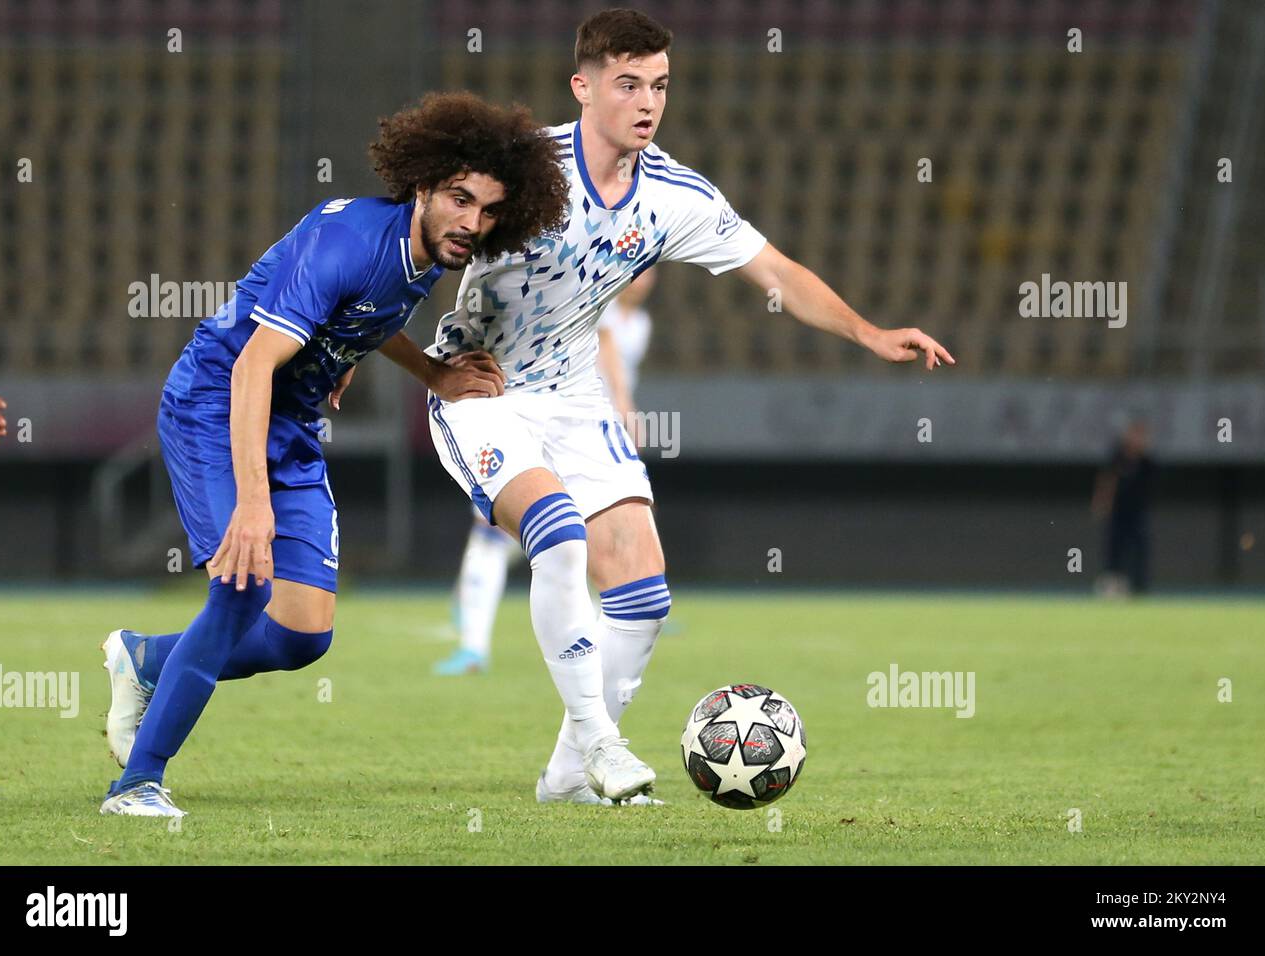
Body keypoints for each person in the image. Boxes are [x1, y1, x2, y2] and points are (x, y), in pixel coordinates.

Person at [356, 9, 953, 806]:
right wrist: (378, 355)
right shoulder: (527, 172)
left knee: (642, 592)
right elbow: (418, 244)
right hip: (483, 390)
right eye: (629, 83)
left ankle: (569, 775)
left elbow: (775, 271)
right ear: (584, 86)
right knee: (558, 533)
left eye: (660, 86)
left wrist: (869, 332)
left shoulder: (673, 195)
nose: (647, 102)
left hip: (573, 395)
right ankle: (604, 742)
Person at [97, 92, 570, 817]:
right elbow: (254, 365)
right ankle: (137, 783)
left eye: (489, 209)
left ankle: (148, 660)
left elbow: (372, 315)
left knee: (300, 635)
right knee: (244, 587)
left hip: (288, 425)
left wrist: (434, 374)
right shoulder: (349, 240)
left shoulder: (422, 253)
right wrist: (254, 508)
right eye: (459, 198)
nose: (472, 223)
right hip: (216, 407)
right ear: (422, 185)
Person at [430, 268, 657, 677]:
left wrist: (622, 411)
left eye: (651, 274)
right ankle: (474, 641)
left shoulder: (640, 325)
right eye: (642, 271)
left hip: (588, 439)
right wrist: (625, 405)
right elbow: (604, 351)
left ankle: (591, 635)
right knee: (502, 537)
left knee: (569, 543)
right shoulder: (589, 299)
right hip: (540, 427)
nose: (644, 279)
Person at [1093, 419, 1153, 595]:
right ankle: (1111, 585)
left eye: (1141, 436)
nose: (1138, 439)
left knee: (1140, 548)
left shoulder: (1147, 462)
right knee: (1114, 548)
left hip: (1137, 513)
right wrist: (1101, 502)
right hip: (1118, 512)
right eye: (1135, 435)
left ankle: (1139, 587)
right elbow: (1106, 481)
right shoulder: (1117, 458)